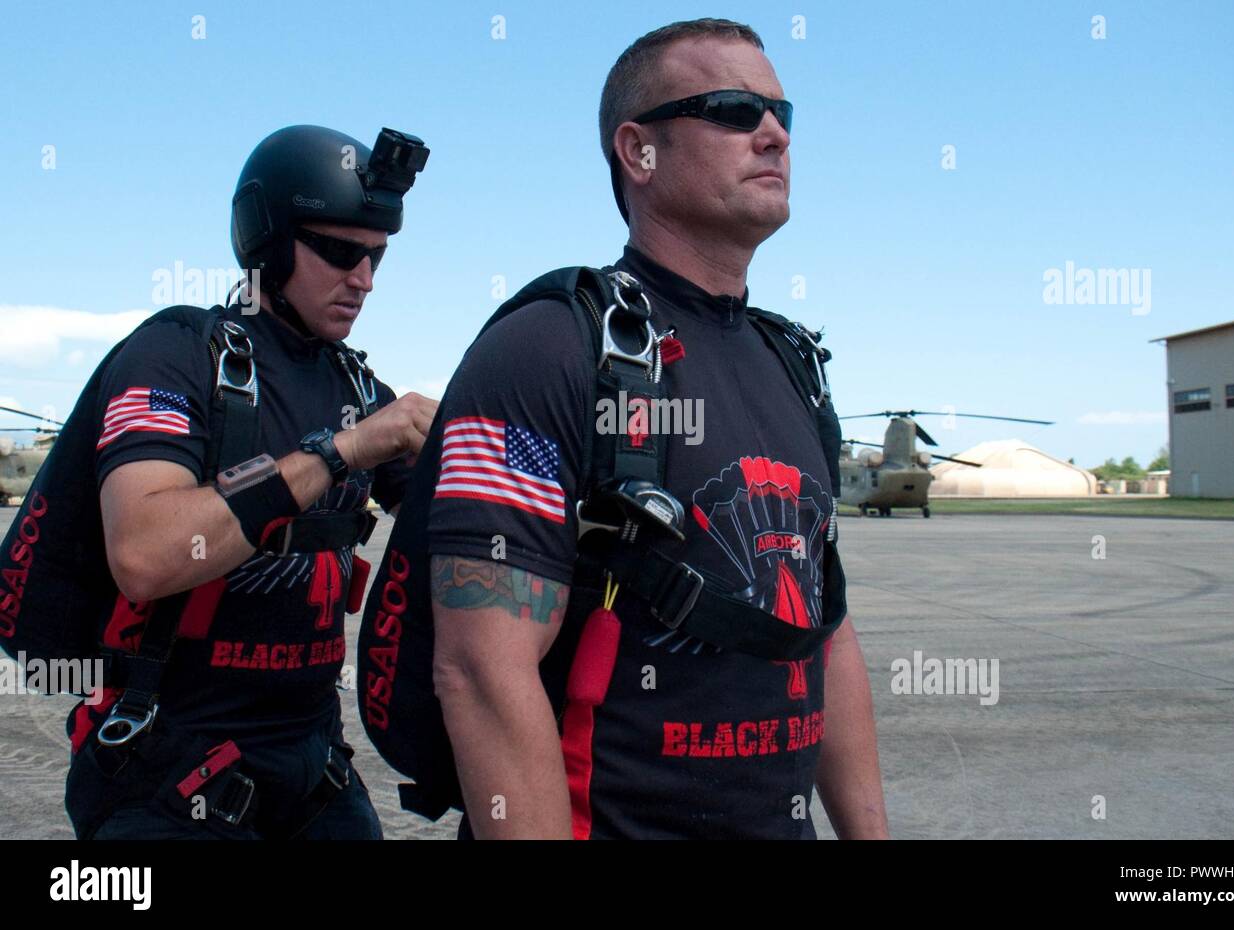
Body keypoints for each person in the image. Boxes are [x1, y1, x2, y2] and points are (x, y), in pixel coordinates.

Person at [424, 19, 889, 839]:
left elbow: (827, 632)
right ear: (637, 151)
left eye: (782, 111)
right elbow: (480, 670)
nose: (774, 132)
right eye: (734, 109)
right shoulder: (546, 348)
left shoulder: (795, 363)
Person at [66, 124, 437, 839]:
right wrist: (341, 451)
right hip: (169, 765)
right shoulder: (175, 355)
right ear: (267, 242)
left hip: (316, 763)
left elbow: (474, 522)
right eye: (338, 252)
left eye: (375, 258)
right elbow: (144, 555)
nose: (362, 279)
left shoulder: (358, 386)